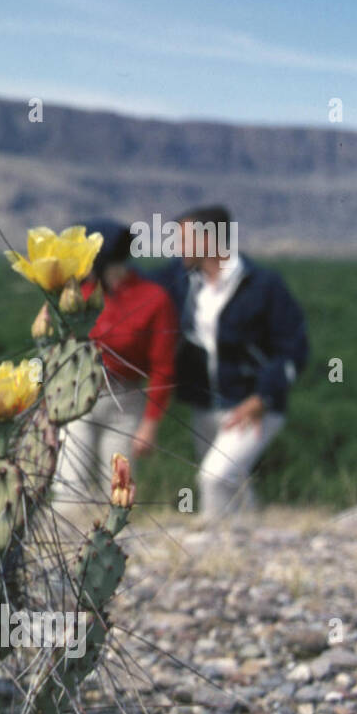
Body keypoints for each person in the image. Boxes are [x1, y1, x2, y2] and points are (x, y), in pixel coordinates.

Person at [159, 205, 308, 519]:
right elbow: (136, 290)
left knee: (213, 478)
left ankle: (212, 549)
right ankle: (250, 547)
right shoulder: (182, 280)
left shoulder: (263, 286)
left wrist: (262, 398)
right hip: (206, 404)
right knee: (235, 483)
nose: (176, 247)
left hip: (251, 406)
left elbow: (293, 349)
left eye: (183, 239)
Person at [53, 218, 177, 503]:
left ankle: (111, 543)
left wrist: (150, 423)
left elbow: (163, 367)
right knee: (67, 486)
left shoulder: (153, 298)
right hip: (75, 394)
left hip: (124, 399)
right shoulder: (75, 294)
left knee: (117, 489)